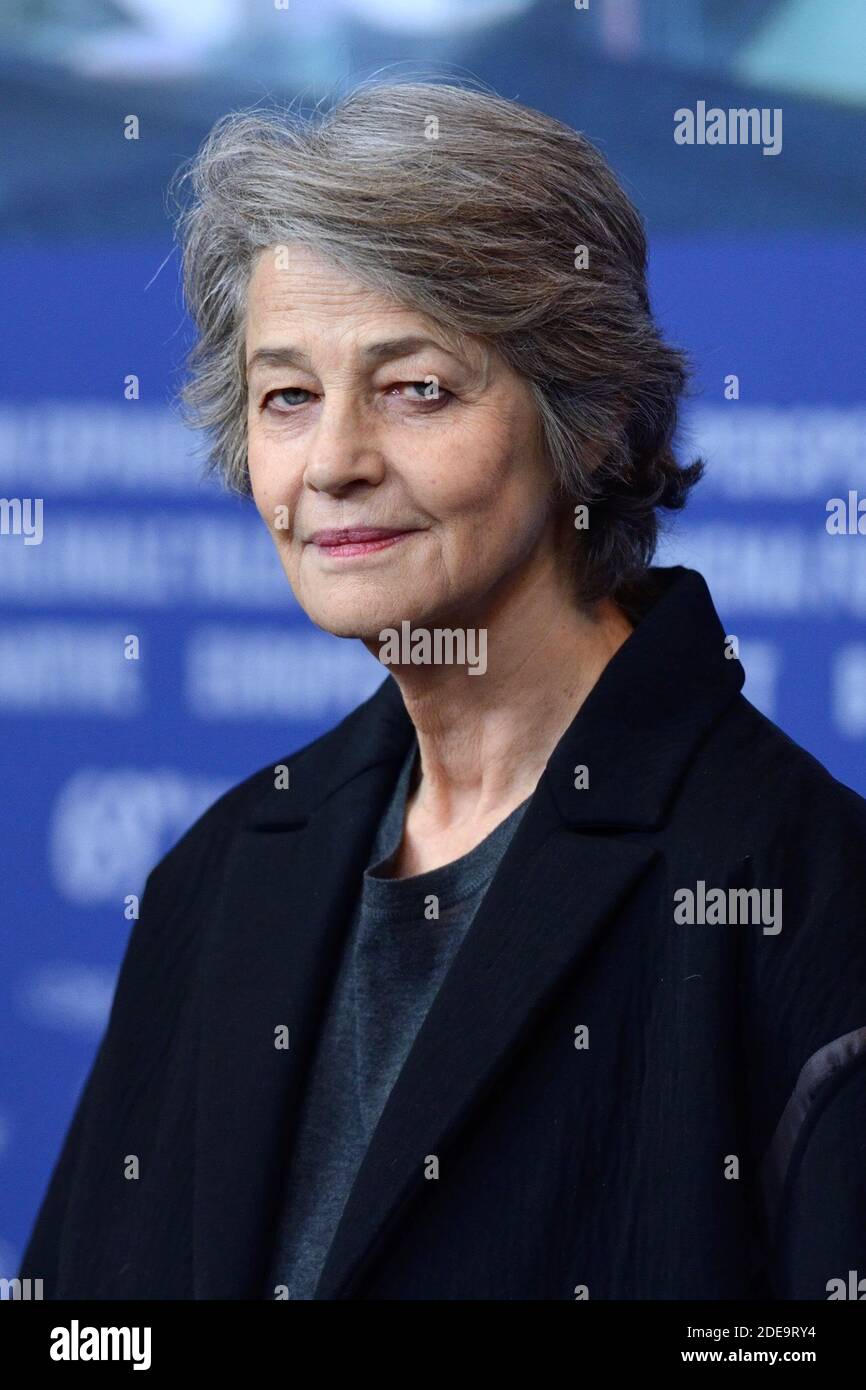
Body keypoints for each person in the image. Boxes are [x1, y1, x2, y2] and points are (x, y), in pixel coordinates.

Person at [20, 79, 866, 1301]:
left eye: (416, 387)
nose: (335, 462)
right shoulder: (219, 874)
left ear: (590, 414)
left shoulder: (804, 900)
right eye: (287, 397)